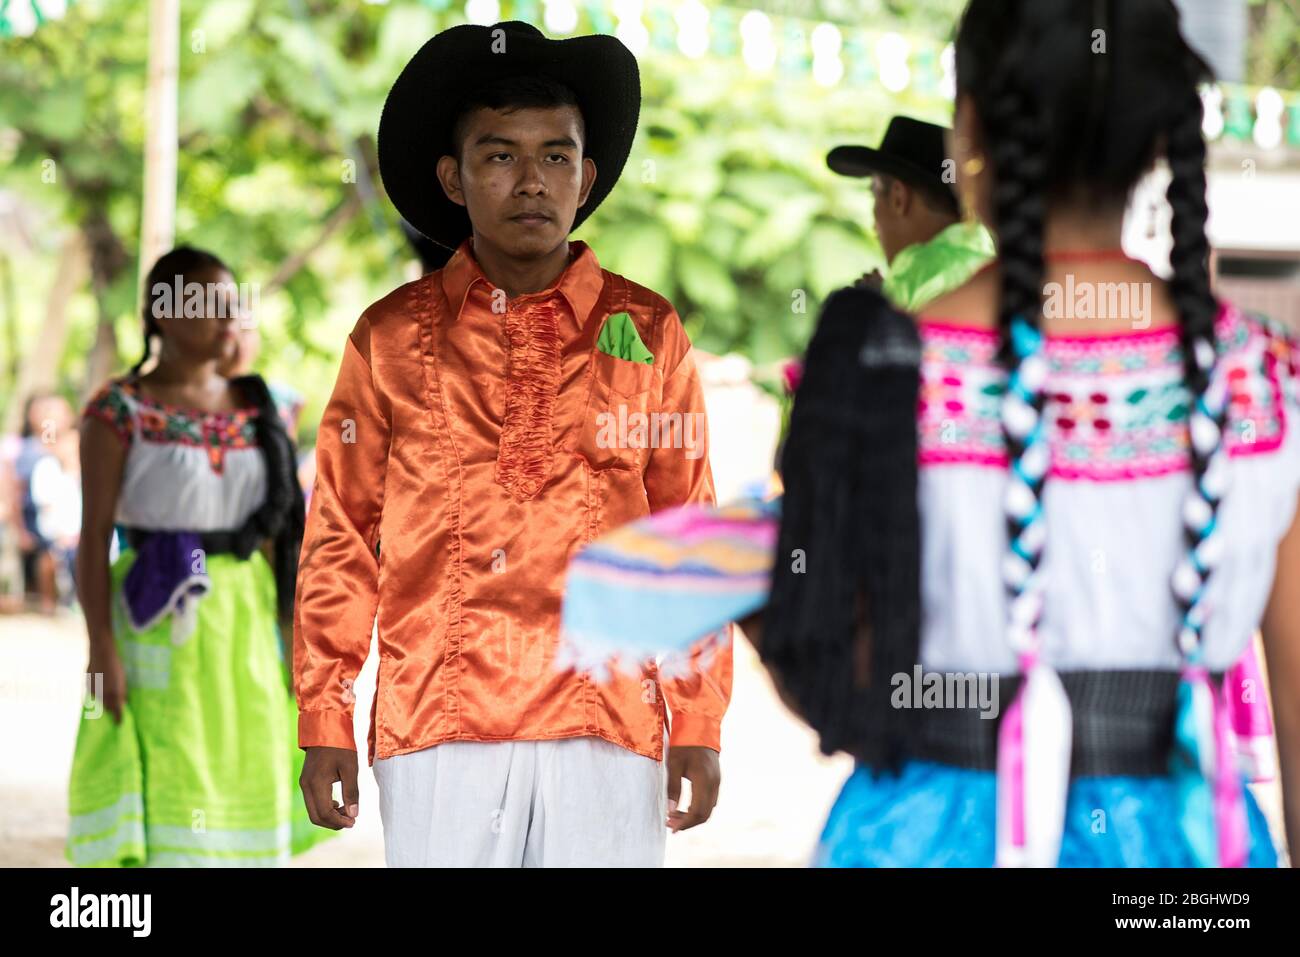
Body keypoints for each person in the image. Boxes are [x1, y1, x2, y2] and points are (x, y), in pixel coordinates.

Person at [759, 0, 1298, 867]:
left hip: (924, 838)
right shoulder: (1261, 381)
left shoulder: (880, 368)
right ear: (1162, 140)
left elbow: (839, 670)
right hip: (1185, 859)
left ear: (968, 126)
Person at [295, 20, 731, 867]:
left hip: (611, 720)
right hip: (437, 724)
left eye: (556, 156)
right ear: (454, 178)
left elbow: (690, 530)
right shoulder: (388, 337)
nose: (532, 180)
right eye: (500, 156)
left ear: (587, 176)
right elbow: (341, 534)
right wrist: (324, 714)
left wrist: (700, 717)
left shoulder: (647, 329)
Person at [67, 246, 334, 866]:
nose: (226, 318)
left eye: (231, 304)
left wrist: (293, 634)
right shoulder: (118, 411)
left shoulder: (261, 408)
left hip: (243, 620)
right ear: (161, 314)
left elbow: (280, 536)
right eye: (208, 304)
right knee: (171, 762)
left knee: (245, 756)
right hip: (153, 619)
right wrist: (99, 648)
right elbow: (92, 536)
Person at [828, 115, 994, 311]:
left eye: (874, 195)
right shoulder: (990, 266)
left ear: (899, 198)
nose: (874, 226)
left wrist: (878, 310)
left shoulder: (914, 275)